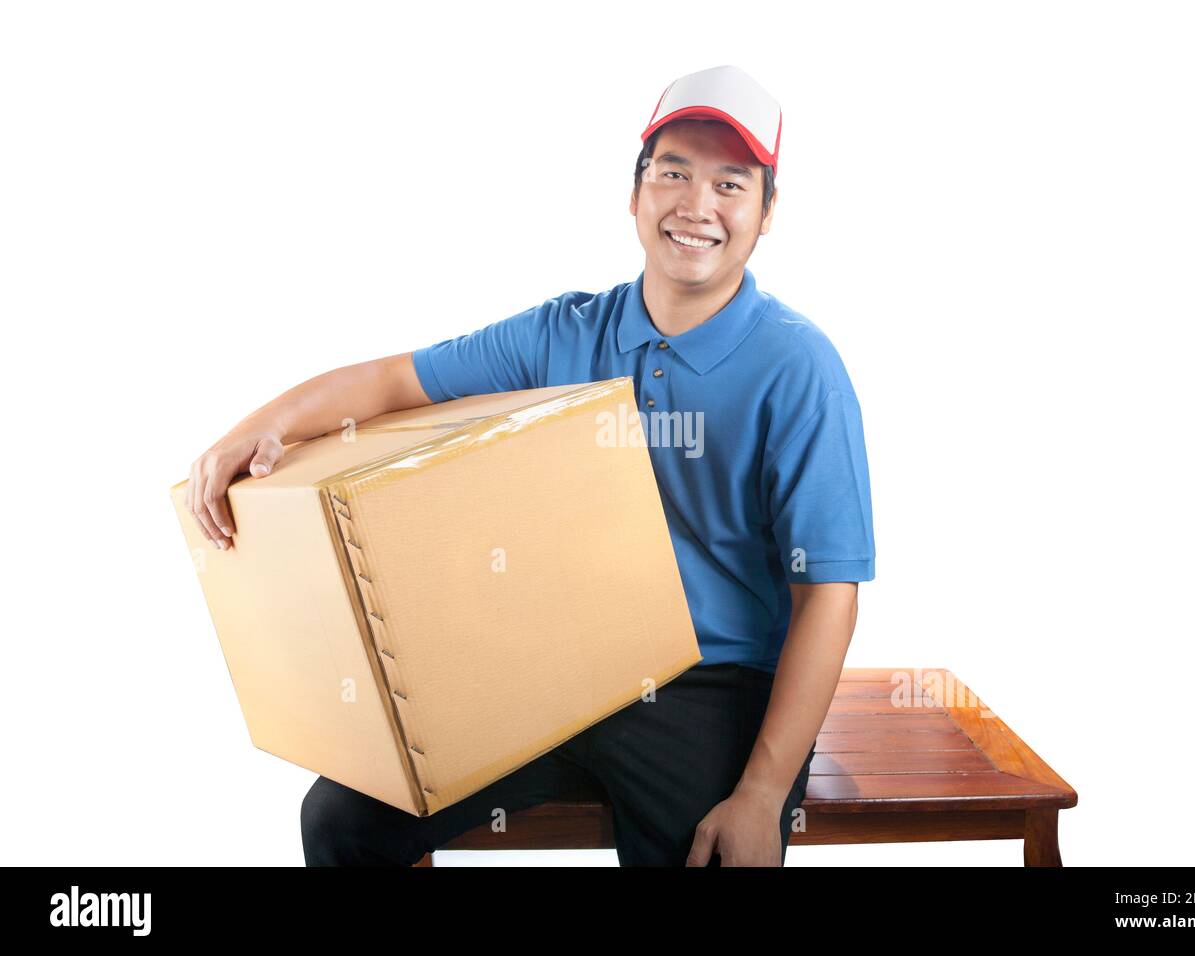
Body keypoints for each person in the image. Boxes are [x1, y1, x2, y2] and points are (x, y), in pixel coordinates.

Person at [186, 65, 876, 866]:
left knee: (712, 853)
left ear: (766, 212)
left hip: (713, 686)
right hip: (560, 666)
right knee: (342, 819)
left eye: (731, 183)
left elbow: (829, 592)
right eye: (674, 172)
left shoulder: (798, 367)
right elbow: (391, 381)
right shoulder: (563, 333)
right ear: (635, 193)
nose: (698, 205)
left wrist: (760, 794)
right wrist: (252, 430)